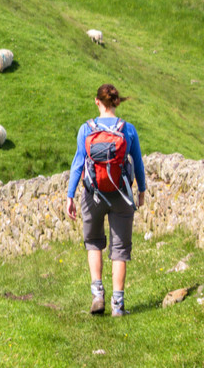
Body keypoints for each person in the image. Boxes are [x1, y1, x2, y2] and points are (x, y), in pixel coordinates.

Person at [65, 83, 146, 317]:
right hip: (121, 195)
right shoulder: (128, 129)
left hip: (93, 195)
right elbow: (138, 163)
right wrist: (141, 191)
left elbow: (78, 164)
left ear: (97, 102)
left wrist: (70, 196)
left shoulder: (86, 129)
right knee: (119, 249)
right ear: (116, 102)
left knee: (93, 243)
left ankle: (98, 295)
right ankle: (118, 306)